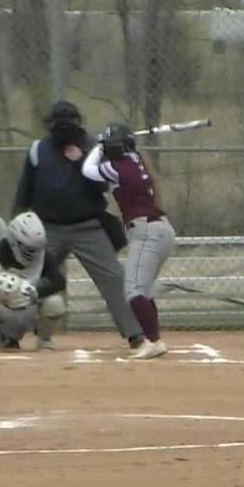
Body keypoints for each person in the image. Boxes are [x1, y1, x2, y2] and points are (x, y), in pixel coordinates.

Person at [14, 100, 145, 349]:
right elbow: (24, 193)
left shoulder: (93, 149)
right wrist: (19, 223)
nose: (64, 130)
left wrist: (81, 161)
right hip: (46, 229)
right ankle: (9, 333)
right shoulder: (37, 150)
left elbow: (102, 186)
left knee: (114, 277)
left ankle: (135, 333)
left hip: (88, 226)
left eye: (69, 123)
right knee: (24, 279)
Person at [82, 124, 176, 360]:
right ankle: (153, 338)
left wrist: (97, 147)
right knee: (143, 290)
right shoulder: (137, 160)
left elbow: (87, 170)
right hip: (160, 229)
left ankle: (153, 341)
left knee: (134, 291)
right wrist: (107, 143)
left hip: (145, 231)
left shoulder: (119, 167)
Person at [0, 211, 68, 350]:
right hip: (3, 308)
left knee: (55, 304)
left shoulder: (44, 255)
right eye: (28, 248)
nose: (33, 252)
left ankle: (44, 339)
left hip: (31, 306)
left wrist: (36, 291)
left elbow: (58, 281)